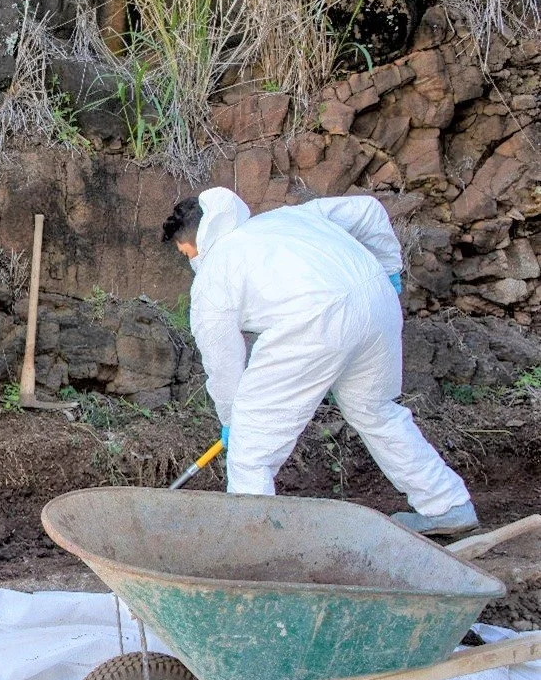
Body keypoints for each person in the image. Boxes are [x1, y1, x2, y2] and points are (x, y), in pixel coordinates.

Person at [161, 187, 477, 536]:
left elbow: (223, 362)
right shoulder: (289, 217)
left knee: (251, 451)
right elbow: (368, 210)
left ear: (195, 242)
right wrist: (389, 269)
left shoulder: (213, 275)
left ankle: (251, 547)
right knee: (377, 411)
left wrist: (232, 419)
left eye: (184, 251)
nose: (187, 259)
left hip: (312, 322)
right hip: (376, 301)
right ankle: (447, 505)